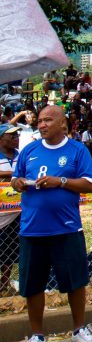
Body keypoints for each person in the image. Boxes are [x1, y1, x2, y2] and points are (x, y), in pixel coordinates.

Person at [10, 105, 92, 342]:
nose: (42, 125)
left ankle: (79, 329)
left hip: (67, 228)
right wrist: (18, 183)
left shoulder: (77, 150)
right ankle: (37, 336)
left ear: (63, 124)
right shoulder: (30, 150)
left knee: (75, 282)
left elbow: (89, 185)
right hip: (32, 230)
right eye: (39, 121)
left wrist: (59, 181)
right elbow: (17, 179)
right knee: (32, 285)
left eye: (48, 120)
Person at [0, 123, 21, 293]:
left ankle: (5, 282)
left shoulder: (20, 156)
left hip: (16, 212)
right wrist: (11, 175)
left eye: (17, 135)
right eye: (11, 136)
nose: (16, 138)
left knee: (11, 248)